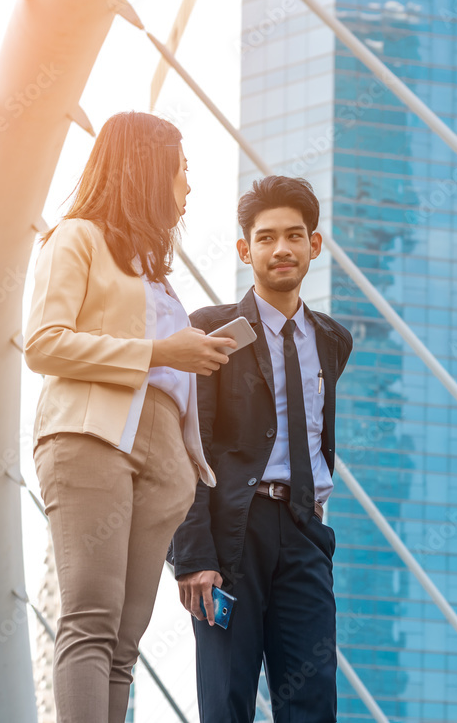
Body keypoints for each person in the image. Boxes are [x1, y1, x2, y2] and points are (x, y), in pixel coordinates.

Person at [24, 112, 235, 723]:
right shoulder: (76, 238)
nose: (189, 185)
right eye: (182, 170)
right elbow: (44, 344)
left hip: (162, 464)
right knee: (91, 620)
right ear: (148, 167)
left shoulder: (159, 279)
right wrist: (159, 352)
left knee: (123, 642)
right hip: (92, 439)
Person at [170, 175, 353, 722]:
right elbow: (190, 447)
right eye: (266, 238)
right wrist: (193, 555)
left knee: (313, 703)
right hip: (232, 534)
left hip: (304, 531)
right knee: (227, 701)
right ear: (245, 250)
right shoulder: (212, 330)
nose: (281, 249)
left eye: (294, 236)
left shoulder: (333, 340)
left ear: (314, 245)